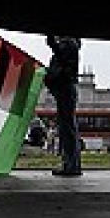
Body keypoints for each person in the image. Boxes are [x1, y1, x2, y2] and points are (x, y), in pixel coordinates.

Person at [44, 34, 83, 176]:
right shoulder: (69, 44)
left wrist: (53, 44)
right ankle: (71, 164)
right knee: (67, 127)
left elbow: (62, 60)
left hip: (65, 88)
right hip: (64, 87)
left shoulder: (69, 44)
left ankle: (72, 166)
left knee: (68, 128)